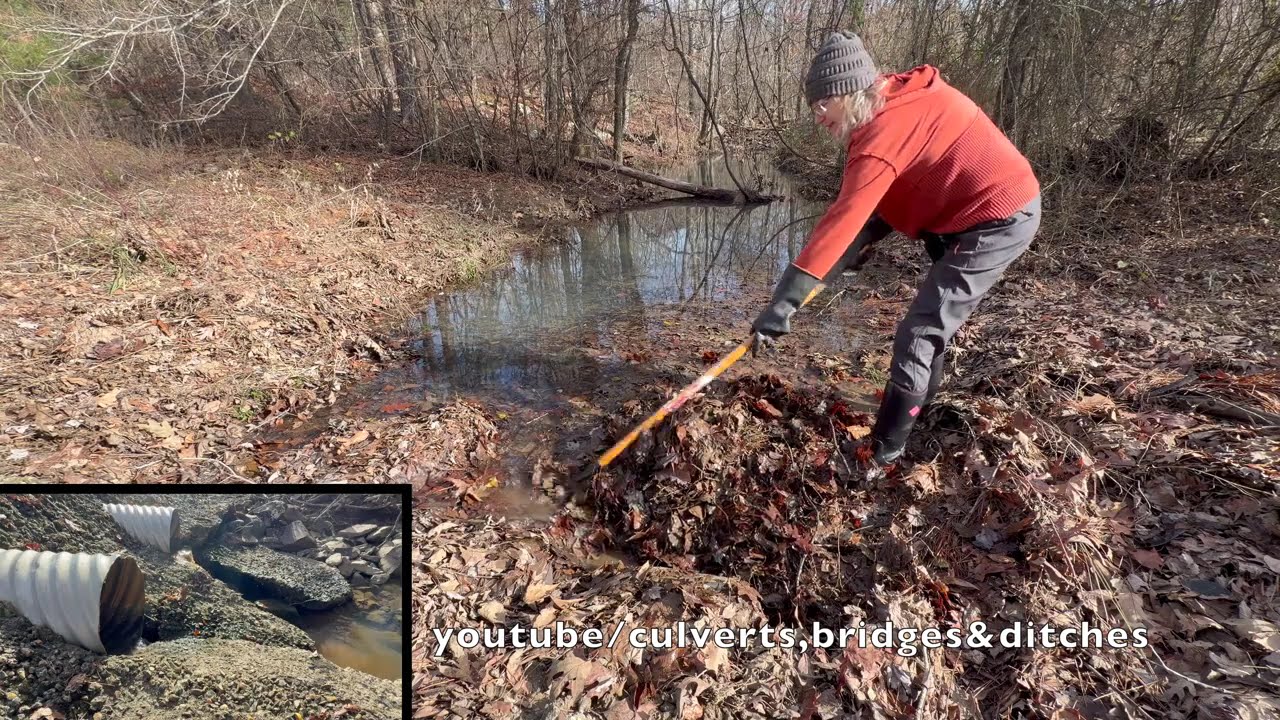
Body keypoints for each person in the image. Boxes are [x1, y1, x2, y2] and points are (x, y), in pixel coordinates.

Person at [751, 30, 1042, 479]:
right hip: (965, 213)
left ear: (849, 93)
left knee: (921, 329)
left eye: (823, 105)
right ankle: (918, 411)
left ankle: (884, 451)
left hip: (999, 214)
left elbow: (844, 217)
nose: (818, 117)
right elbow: (888, 197)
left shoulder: (880, 133)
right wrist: (858, 246)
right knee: (932, 322)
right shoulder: (894, 101)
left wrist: (782, 305)